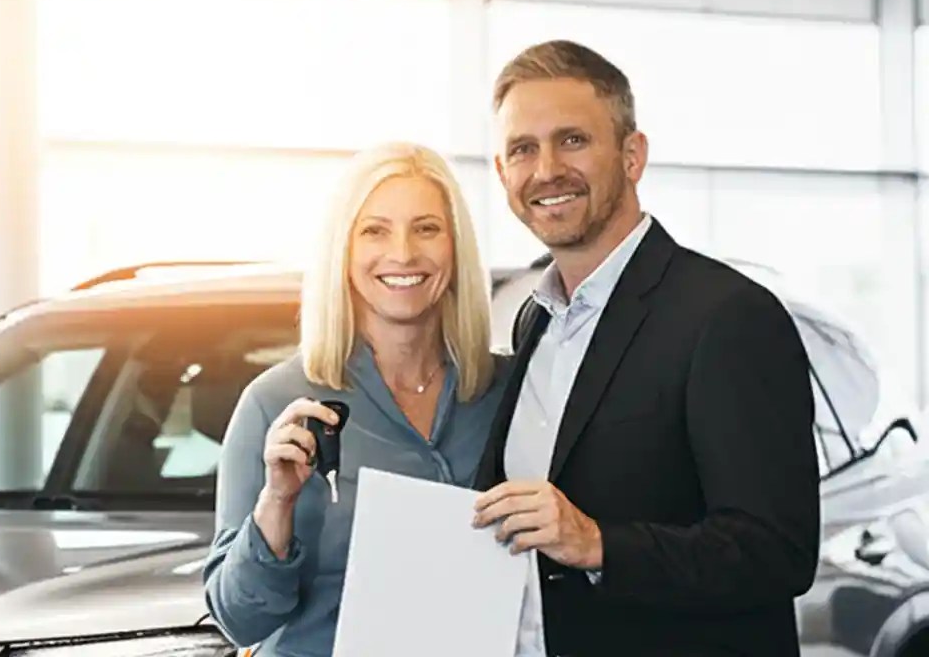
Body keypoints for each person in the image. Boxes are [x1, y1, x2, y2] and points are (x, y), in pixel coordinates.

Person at [470, 39, 820, 655]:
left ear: (633, 156)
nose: (547, 168)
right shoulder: (533, 322)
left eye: (573, 140)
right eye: (523, 148)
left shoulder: (728, 316)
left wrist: (597, 543)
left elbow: (778, 552)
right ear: (503, 173)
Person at [203, 141, 509, 656]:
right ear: (343, 251)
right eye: (375, 230)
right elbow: (239, 621)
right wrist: (277, 502)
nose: (404, 253)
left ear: (456, 247)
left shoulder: (510, 392)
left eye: (427, 228)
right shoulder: (275, 403)